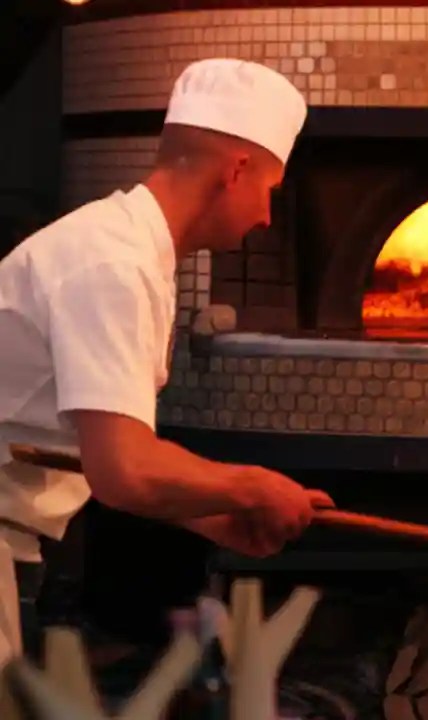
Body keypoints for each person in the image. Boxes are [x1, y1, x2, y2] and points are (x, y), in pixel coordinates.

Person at [0, 58, 333, 664]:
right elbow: (123, 468)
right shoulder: (111, 265)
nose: (265, 216)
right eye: (269, 191)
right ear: (235, 170)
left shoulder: (127, 249)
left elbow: (90, 449)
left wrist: (215, 516)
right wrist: (248, 486)